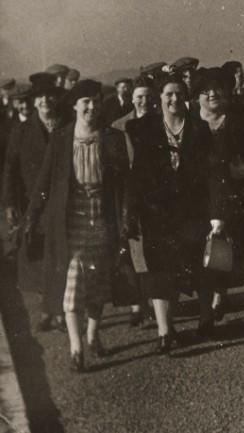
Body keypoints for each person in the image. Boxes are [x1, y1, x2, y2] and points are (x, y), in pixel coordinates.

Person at [23, 80, 129, 372]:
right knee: (72, 282)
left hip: (103, 217)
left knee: (98, 282)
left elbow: (123, 185)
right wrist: (31, 216)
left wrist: (125, 219)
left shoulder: (112, 138)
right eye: (85, 102)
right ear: (74, 105)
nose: (92, 107)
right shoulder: (61, 138)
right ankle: (76, 348)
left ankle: (94, 335)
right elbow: (44, 182)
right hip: (71, 219)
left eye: (96, 101)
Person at [126, 73, 226, 354]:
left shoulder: (199, 129)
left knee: (200, 265)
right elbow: (137, 175)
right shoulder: (144, 129)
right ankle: (165, 331)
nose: (174, 99)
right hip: (156, 212)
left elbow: (214, 174)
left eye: (179, 94)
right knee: (159, 269)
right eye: (168, 93)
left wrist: (217, 213)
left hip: (194, 211)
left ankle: (206, 319)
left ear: (187, 98)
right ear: (160, 98)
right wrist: (132, 211)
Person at [3, 78, 67, 331]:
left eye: (49, 96)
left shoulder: (65, 125)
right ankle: (46, 308)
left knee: (62, 254)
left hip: (64, 201)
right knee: (38, 254)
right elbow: (10, 168)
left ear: (55, 98)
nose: (45, 102)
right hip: (34, 203)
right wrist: (9, 203)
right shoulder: (21, 130)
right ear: (34, 101)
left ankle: (61, 311)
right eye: (40, 98)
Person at [192, 67, 244, 325]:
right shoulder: (191, 122)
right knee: (199, 252)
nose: (212, 94)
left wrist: (243, 169)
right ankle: (206, 306)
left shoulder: (238, 121)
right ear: (197, 97)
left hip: (232, 195)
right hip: (198, 197)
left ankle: (220, 295)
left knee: (226, 250)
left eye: (217, 89)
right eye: (206, 91)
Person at [111, 76, 157, 327]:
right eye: (139, 97)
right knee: (130, 250)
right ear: (131, 98)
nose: (144, 102)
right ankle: (136, 305)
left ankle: (153, 301)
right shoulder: (119, 127)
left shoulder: (161, 122)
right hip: (127, 194)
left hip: (154, 195)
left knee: (152, 248)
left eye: (149, 97)